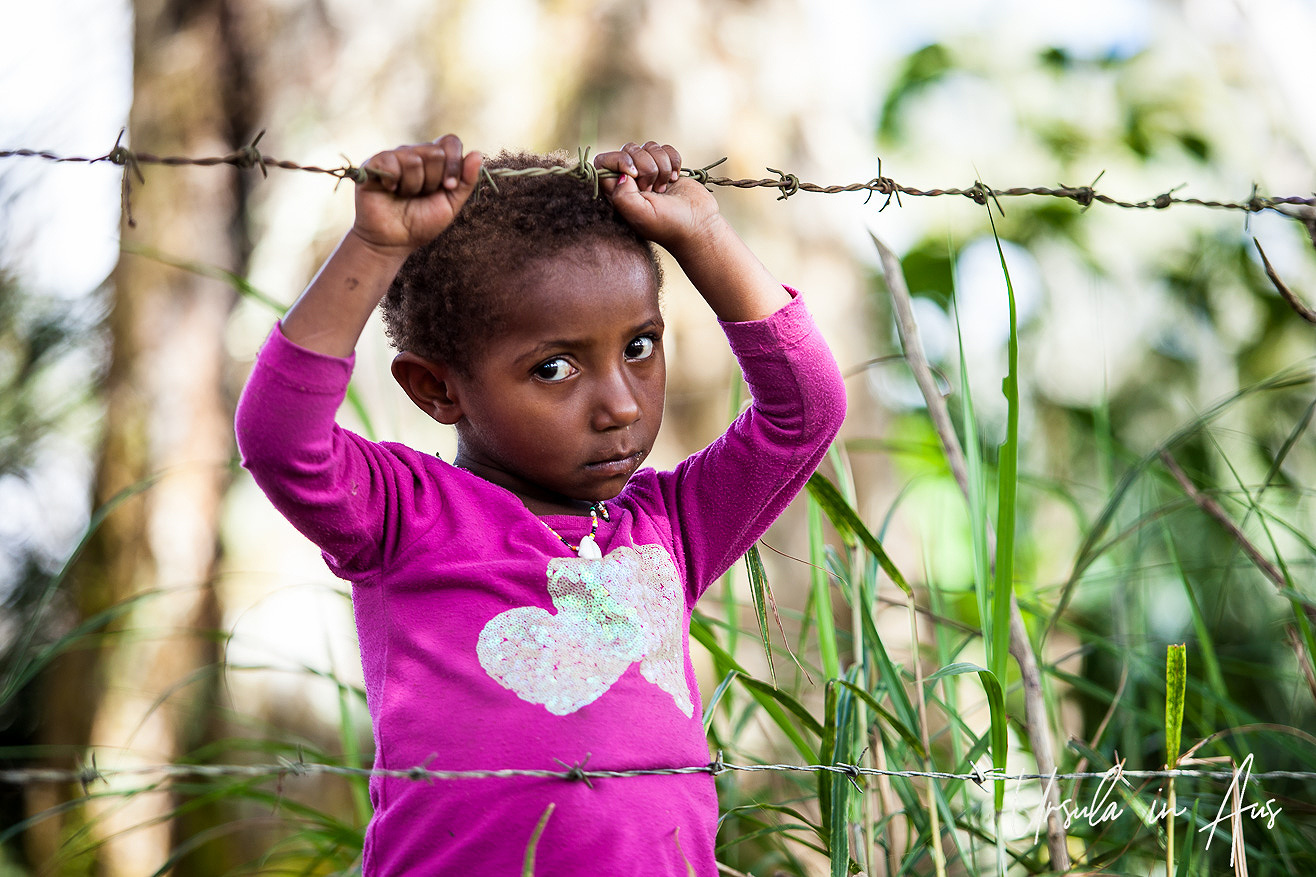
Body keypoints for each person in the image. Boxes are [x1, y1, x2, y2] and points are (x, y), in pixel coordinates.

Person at [235, 135, 846, 875]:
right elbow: (279, 439)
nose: (620, 404)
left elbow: (805, 411)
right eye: (554, 368)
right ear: (437, 388)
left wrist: (703, 235)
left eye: (641, 346)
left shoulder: (671, 526)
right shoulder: (405, 516)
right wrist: (374, 242)